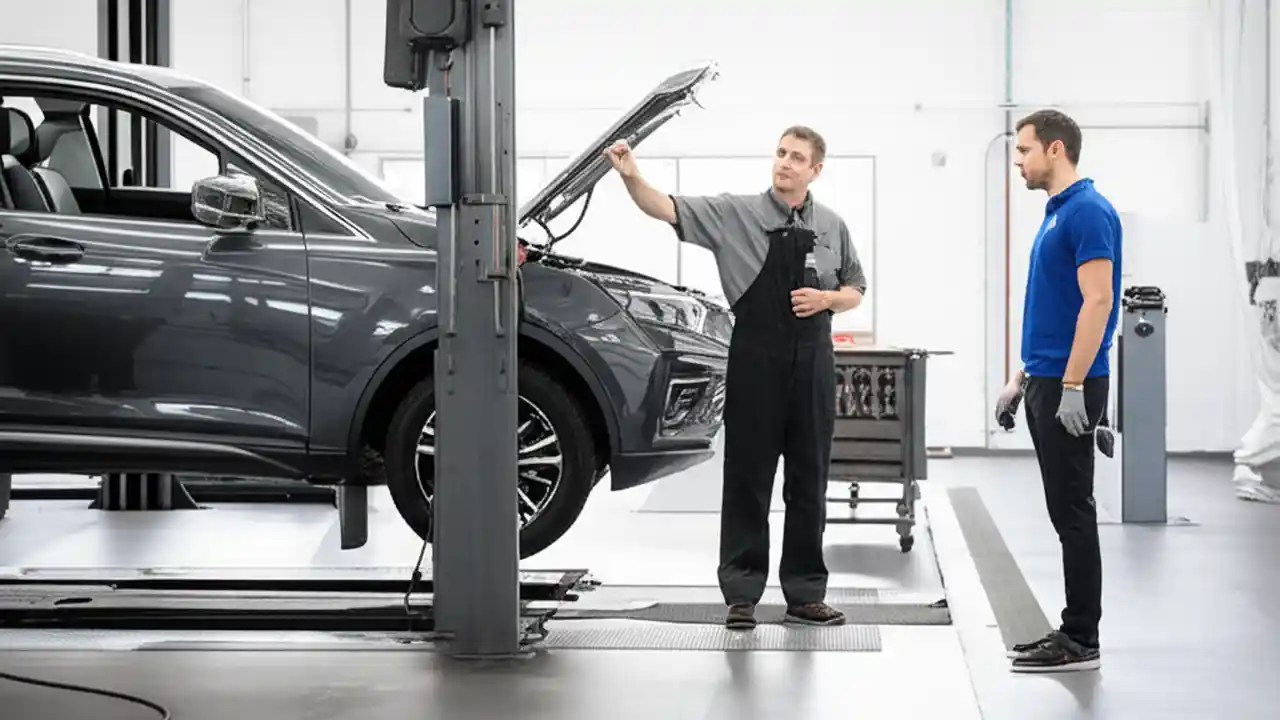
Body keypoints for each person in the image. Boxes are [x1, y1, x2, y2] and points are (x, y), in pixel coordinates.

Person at [604, 126, 867, 629]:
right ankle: (742, 595)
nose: (784, 162)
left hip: (814, 362)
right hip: (755, 360)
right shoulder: (735, 213)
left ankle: (805, 594)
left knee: (809, 480)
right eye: (781, 153)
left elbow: (856, 288)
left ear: (816, 170)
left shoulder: (833, 226)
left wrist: (827, 300)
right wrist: (632, 176)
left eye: (797, 157)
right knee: (748, 477)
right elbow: (665, 207)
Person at [996, 109, 1122, 673]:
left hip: (1072, 383)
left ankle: (1080, 638)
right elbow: (1052, 308)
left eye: (1023, 150)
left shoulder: (1088, 211)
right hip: (1047, 379)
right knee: (1063, 509)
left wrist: (1073, 385)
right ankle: (1075, 630)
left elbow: (1099, 301)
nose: (1017, 161)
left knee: (1073, 511)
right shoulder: (1057, 214)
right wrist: (1022, 377)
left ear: (1054, 149)